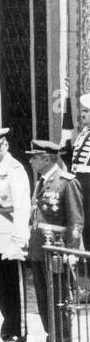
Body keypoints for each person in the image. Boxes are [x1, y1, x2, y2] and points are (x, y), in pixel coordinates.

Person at [25, 139, 84, 342]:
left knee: (58, 296)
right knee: (43, 297)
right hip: (39, 248)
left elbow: (76, 220)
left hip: (57, 249)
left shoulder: (66, 182)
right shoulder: (41, 181)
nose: (31, 161)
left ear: (48, 158)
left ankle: (64, 340)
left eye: (35, 157)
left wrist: (71, 250)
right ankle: (52, 338)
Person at [0, 127, 30, 342]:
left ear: (6, 146)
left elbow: (21, 205)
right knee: (0, 285)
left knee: (14, 285)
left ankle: (19, 328)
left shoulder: (15, 169)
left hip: (9, 235)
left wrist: (19, 239)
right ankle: (7, 325)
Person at [68, 92, 90, 245]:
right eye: (82, 110)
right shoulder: (83, 133)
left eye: (87, 111)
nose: (82, 114)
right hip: (78, 182)